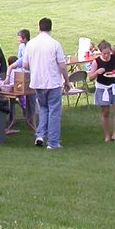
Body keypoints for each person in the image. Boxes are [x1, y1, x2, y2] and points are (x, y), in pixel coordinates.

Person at [23, 18, 70, 150]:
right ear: (50, 28)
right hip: (53, 82)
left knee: (43, 109)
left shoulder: (31, 44)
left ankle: (40, 135)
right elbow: (62, 65)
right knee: (54, 111)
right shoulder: (54, 44)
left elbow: (25, 65)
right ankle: (53, 142)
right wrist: (67, 80)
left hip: (37, 82)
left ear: (39, 28)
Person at [88, 40, 115, 143]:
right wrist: (97, 72)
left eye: (108, 53)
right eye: (104, 53)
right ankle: (107, 136)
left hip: (114, 86)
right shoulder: (97, 61)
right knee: (106, 112)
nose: (107, 55)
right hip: (102, 88)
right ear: (100, 52)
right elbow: (90, 77)